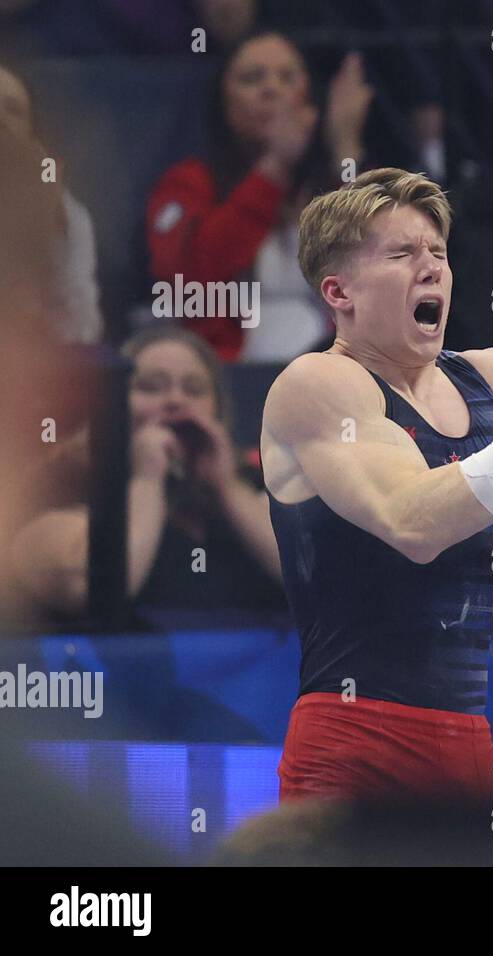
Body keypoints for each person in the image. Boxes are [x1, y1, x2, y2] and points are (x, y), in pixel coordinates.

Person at [262, 167, 493, 806]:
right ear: (339, 290)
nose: (431, 267)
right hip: (353, 740)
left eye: (438, 252)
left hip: (467, 737)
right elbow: (412, 525)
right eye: (402, 253)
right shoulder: (318, 385)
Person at [12, 326, 284, 618]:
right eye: (150, 387)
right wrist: (147, 478)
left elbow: (316, 579)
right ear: (110, 405)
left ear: (217, 410)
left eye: (194, 389)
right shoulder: (64, 481)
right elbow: (89, 587)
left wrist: (228, 488)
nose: (175, 401)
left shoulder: (252, 485)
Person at [146, 30, 374, 361]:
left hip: (341, 374)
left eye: (287, 77)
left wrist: (346, 149)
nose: (271, 89)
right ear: (223, 101)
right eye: (252, 78)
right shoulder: (188, 182)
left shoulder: (336, 180)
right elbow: (189, 280)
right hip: (234, 378)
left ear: (309, 94)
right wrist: (274, 169)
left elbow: (382, 260)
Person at [0, 62, 102, 344]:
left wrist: (47, 221)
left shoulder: (66, 210)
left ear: (32, 132)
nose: (1, 120)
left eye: (13, 110)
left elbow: (83, 332)